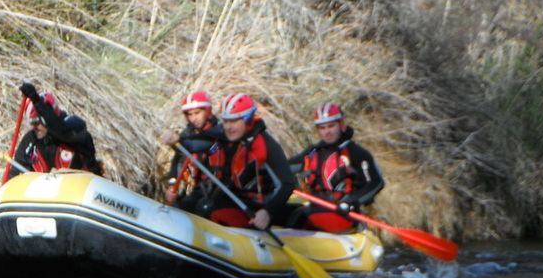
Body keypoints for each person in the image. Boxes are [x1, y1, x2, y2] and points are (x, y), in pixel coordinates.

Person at [181, 92, 294, 231]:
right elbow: (194, 144)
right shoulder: (224, 136)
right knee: (186, 206)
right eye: (226, 121)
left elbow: (287, 184)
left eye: (234, 121)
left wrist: (267, 212)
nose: (228, 127)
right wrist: (176, 140)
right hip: (233, 202)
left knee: (207, 207)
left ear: (248, 120)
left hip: (256, 210)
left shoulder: (267, 144)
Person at [286, 103, 384, 231]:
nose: (327, 132)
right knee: (284, 213)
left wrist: (350, 201)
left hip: (343, 214)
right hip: (317, 209)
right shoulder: (314, 152)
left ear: (341, 124)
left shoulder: (356, 152)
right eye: (322, 128)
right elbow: (286, 166)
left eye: (331, 126)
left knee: (300, 217)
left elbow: (377, 182)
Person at [10, 82, 103, 178]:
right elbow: (15, 170)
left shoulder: (75, 126)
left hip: (82, 186)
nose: (34, 127)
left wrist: (36, 101)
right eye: (32, 124)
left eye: (37, 123)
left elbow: (60, 129)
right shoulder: (31, 139)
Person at [164, 91, 218, 212]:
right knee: (177, 208)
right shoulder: (188, 133)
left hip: (218, 190)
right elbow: (177, 160)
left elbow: (199, 144)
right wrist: (172, 185)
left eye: (198, 113)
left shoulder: (218, 133)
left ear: (207, 112)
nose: (194, 118)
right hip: (199, 189)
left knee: (203, 208)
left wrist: (179, 142)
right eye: (190, 114)